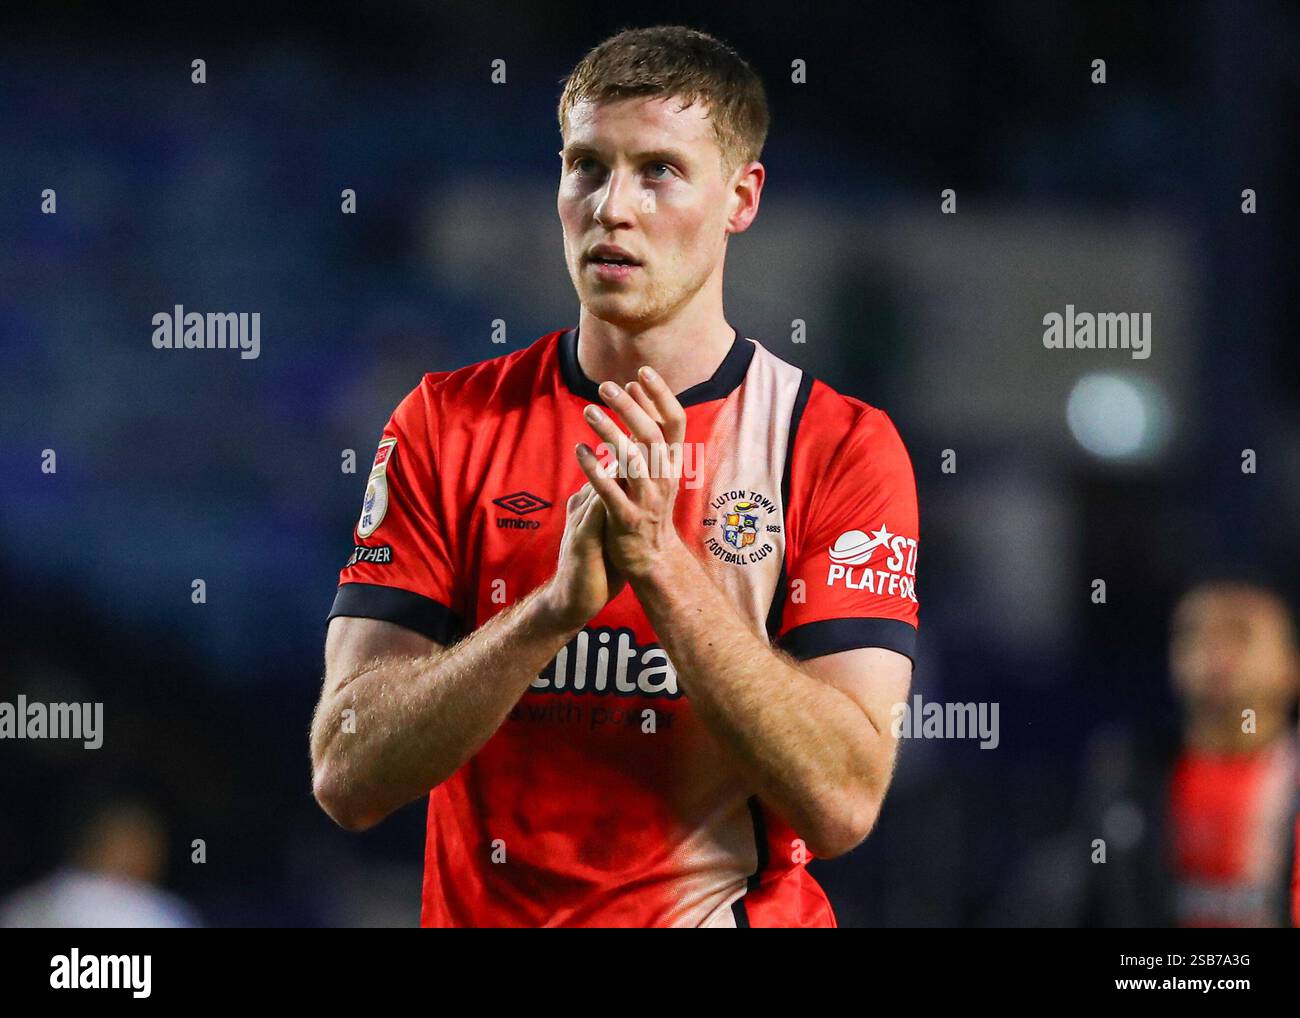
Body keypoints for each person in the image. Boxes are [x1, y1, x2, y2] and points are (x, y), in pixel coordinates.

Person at [310, 25, 920, 928]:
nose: (611, 207)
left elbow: (841, 802)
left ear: (741, 198)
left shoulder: (833, 446)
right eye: (586, 166)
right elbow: (347, 774)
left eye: (660, 171)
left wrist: (660, 565)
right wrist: (551, 612)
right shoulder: (447, 423)